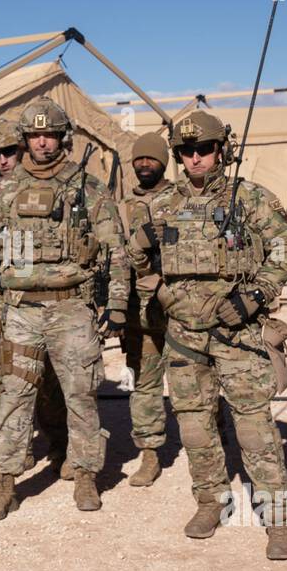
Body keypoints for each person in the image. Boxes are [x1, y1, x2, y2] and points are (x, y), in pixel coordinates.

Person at [128, 111, 287, 558]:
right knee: (194, 427)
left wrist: (257, 294)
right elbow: (138, 263)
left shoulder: (249, 197)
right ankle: (211, 501)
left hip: (238, 332)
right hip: (185, 334)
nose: (196, 158)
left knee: (253, 429)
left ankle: (278, 518)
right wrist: (161, 292)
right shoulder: (162, 205)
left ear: (221, 151)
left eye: (204, 149)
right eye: (186, 151)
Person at [0, 97, 129, 518]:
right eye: (35, 135)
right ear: (25, 140)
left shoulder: (88, 188)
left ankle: (85, 476)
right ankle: (3, 482)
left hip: (72, 309)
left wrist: (116, 305)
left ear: (64, 138)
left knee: (81, 395)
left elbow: (116, 250)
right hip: (19, 310)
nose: (43, 142)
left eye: (50, 134)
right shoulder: (2, 190)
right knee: (14, 397)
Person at [119, 131, 172, 487]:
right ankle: (150, 453)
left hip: (183, 306)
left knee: (199, 379)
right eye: (139, 158)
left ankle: (214, 432)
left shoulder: (181, 199)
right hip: (140, 310)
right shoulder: (121, 206)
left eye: (151, 158)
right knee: (144, 381)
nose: (144, 163)